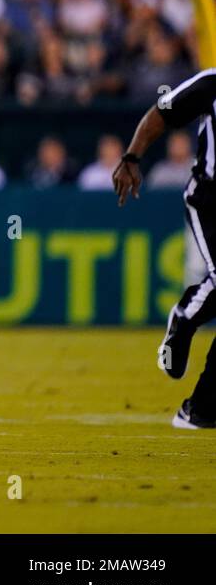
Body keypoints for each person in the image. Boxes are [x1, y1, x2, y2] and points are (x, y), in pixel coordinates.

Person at [115, 68, 216, 427]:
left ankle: (202, 410)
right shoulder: (211, 84)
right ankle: (186, 316)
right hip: (211, 199)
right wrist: (131, 157)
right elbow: (161, 113)